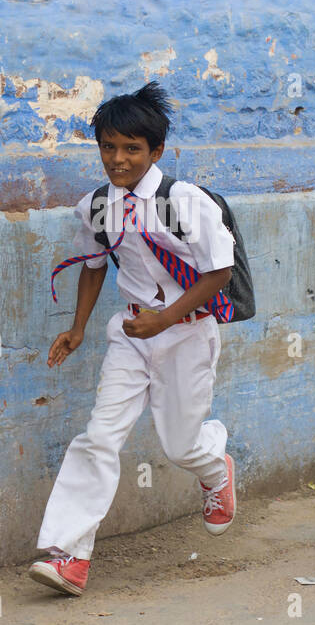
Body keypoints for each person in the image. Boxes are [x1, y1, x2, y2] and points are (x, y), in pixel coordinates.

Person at [30, 82, 236, 595]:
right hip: (129, 334)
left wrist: (165, 321)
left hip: (187, 333)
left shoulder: (185, 202)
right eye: (108, 147)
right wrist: (77, 327)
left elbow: (220, 273)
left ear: (156, 151)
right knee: (99, 437)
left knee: (180, 445)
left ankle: (215, 467)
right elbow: (94, 266)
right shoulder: (98, 205)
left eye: (131, 149)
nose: (117, 160)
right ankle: (70, 556)